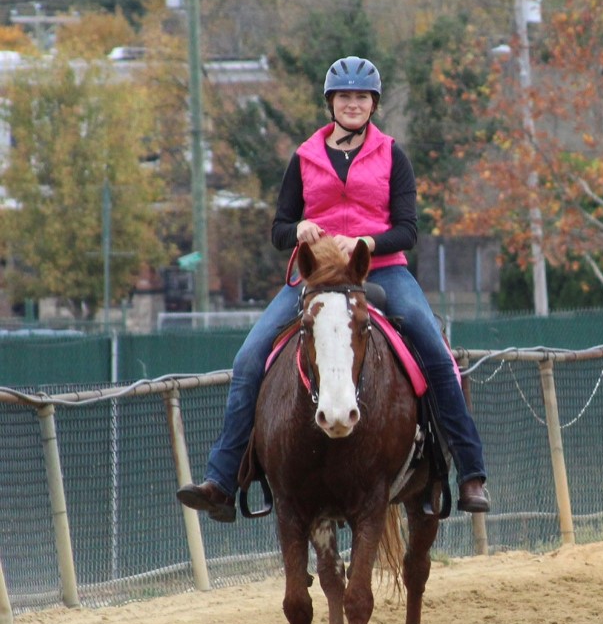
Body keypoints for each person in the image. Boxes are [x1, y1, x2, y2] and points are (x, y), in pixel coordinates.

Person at [178, 56, 490, 522]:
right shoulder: (304, 157)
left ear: (373, 104)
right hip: (317, 278)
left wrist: (367, 240)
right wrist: (300, 227)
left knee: (434, 349)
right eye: (344, 96)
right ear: (331, 103)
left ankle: (468, 473)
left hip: (381, 272)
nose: (352, 104)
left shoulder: (392, 156)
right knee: (248, 359)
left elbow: (408, 230)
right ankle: (222, 480)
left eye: (361, 97)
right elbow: (279, 228)